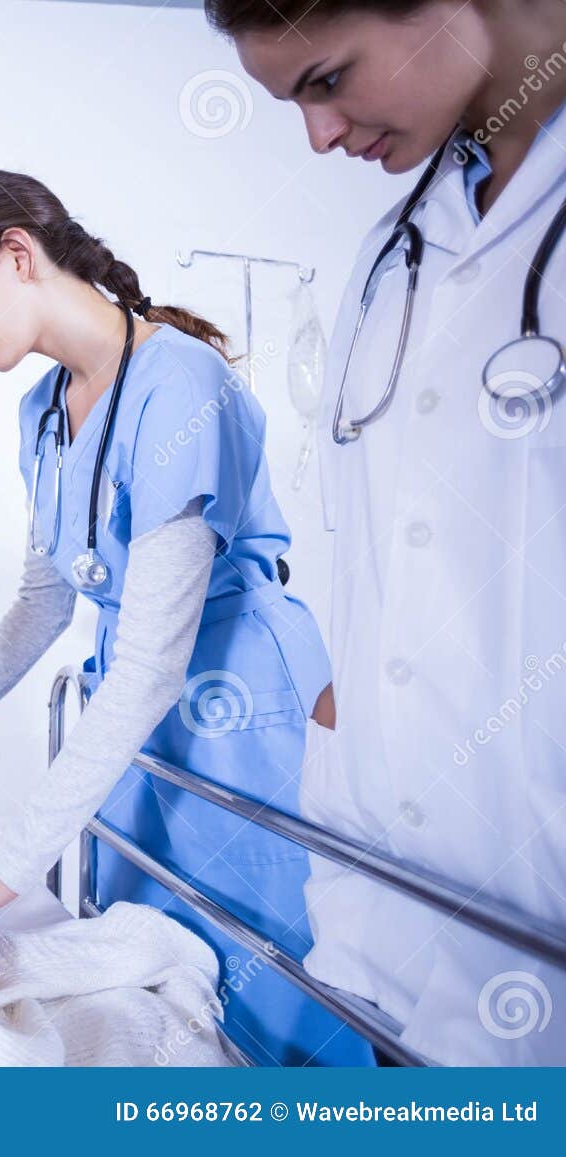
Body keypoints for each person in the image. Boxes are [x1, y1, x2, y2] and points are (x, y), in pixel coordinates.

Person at [0, 170, 371, 1065]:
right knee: (154, 960)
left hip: (234, 693)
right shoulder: (42, 412)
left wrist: (5, 869)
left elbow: (156, 663)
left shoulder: (181, 383)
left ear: (17, 252)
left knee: (262, 968)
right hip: (135, 703)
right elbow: (47, 599)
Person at [207, 0, 566, 1064]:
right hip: (396, 909)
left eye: (327, 79)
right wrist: (341, 708)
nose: (319, 136)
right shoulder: (394, 249)